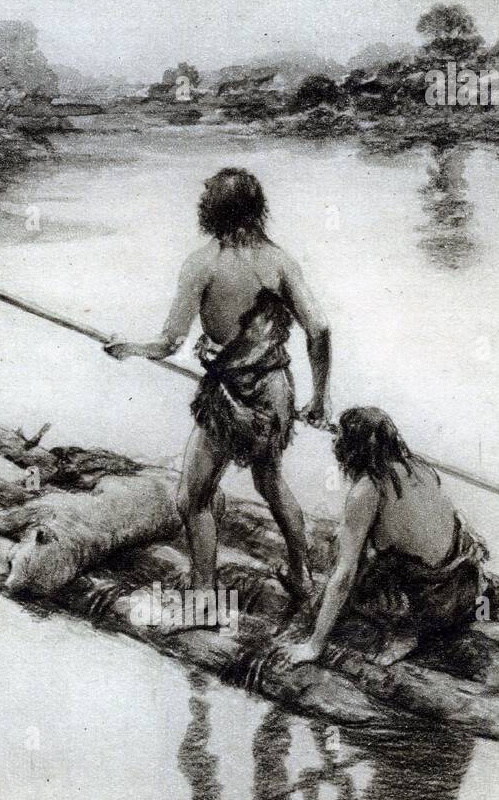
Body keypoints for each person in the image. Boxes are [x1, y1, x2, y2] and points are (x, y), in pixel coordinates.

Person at [103, 167, 332, 597]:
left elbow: (169, 342)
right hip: (276, 391)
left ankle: (205, 597)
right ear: (256, 208)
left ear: (211, 211)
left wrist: (129, 348)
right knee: (270, 482)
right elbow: (318, 329)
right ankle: (301, 576)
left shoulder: (202, 264)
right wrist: (320, 399)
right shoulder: (281, 261)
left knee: (193, 498)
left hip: (230, 399)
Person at [285, 406, 488, 666]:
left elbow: (345, 574)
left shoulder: (367, 490)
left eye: (341, 437)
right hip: (470, 587)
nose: (335, 441)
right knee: (367, 547)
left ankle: (405, 630)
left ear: (354, 447)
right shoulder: (420, 468)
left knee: (348, 576)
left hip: (438, 605)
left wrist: (314, 645)